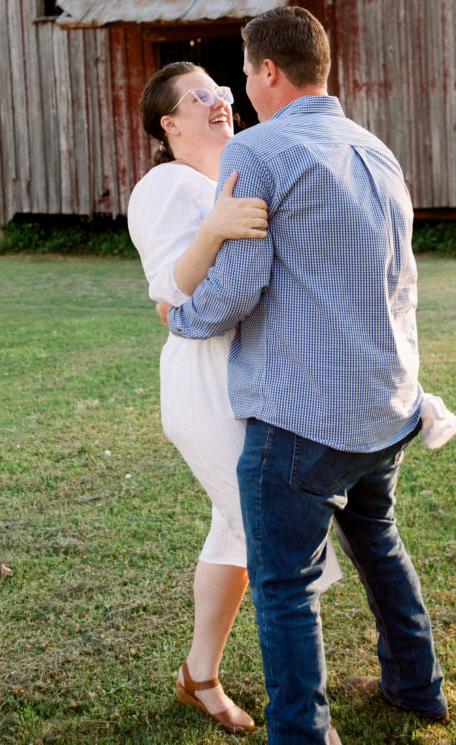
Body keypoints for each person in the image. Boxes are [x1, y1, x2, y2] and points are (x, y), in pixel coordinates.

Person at [166, 7, 448, 744]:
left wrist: (182, 318)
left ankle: (301, 734)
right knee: (379, 544)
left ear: (267, 71)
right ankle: (417, 686)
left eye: (245, 70)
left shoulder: (256, 152)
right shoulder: (376, 150)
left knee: (284, 586)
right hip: (384, 404)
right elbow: (401, 279)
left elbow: (235, 288)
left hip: (299, 420)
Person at [126, 61, 343, 737]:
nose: (220, 100)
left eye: (222, 89)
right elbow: (171, 294)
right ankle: (306, 718)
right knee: (274, 536)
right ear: (170, 123)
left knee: (240, 535)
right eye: (200, 95)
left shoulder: (239, 171)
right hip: (203, 381)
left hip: (254, 376)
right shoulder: (166, 184)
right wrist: (215, 226)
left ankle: (200, 675)